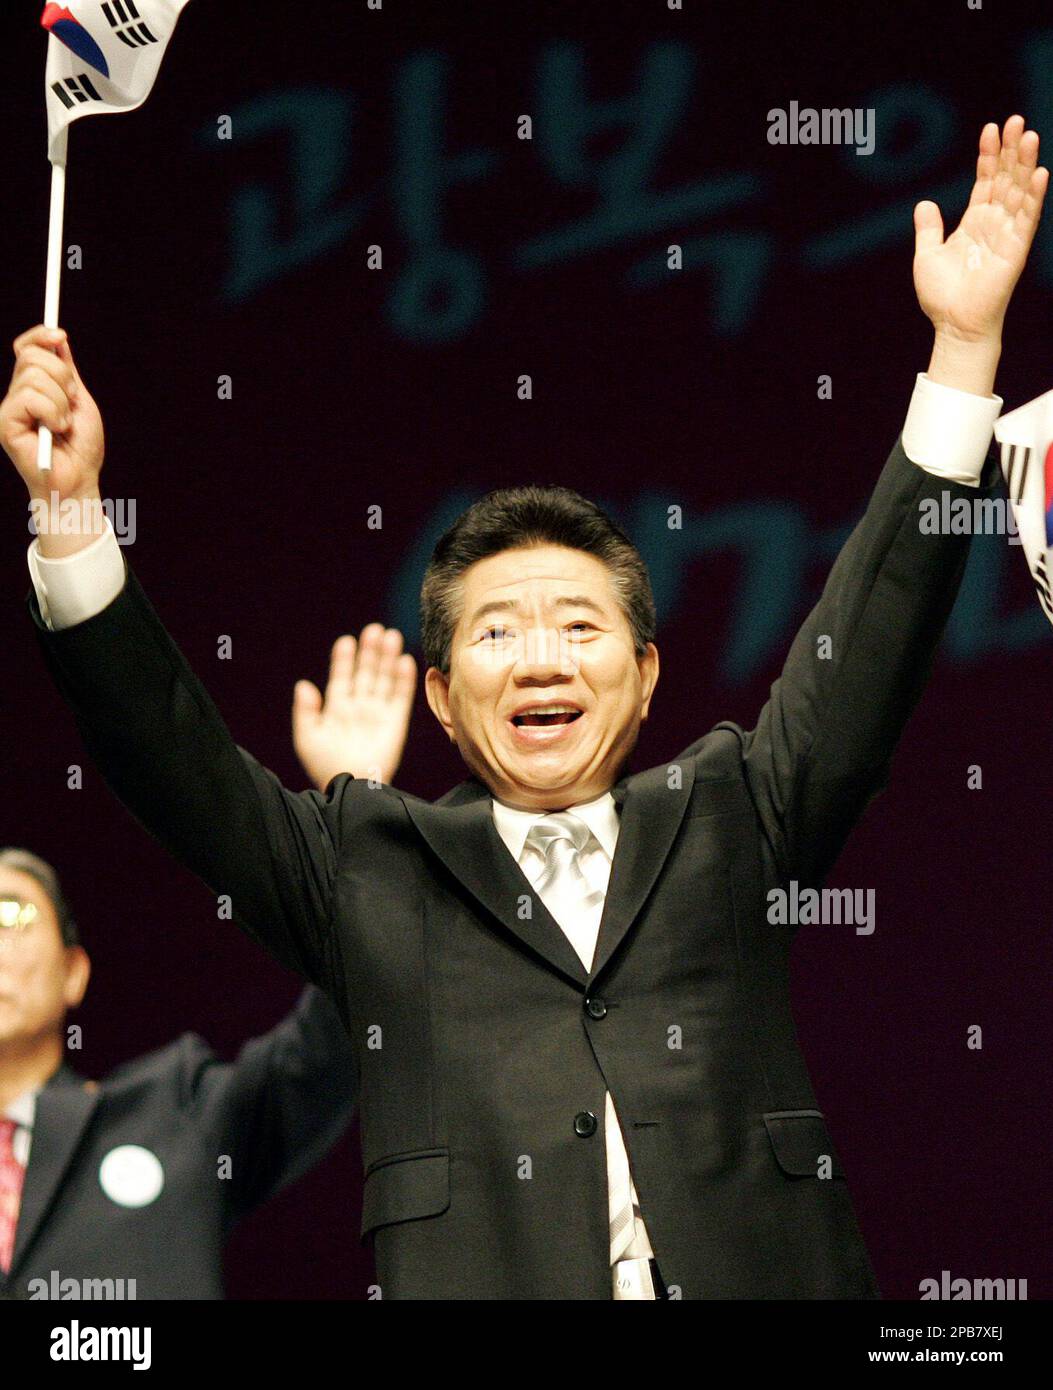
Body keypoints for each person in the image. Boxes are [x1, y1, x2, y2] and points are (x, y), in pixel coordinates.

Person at [2, 118, 1046, 1300]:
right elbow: (162, 748)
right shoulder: (369, 863)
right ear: (442, 699)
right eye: (497, 633)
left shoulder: (733, 809)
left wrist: (963, 346)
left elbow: (874, 636)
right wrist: (71, 510)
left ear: (646, 676)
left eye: (581, 626)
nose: (542, 658)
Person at [0, 628, 415, 1300]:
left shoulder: (177, 1112)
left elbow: (337, 1033)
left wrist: (356, 805)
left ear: (74, 971)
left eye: (12, 915)